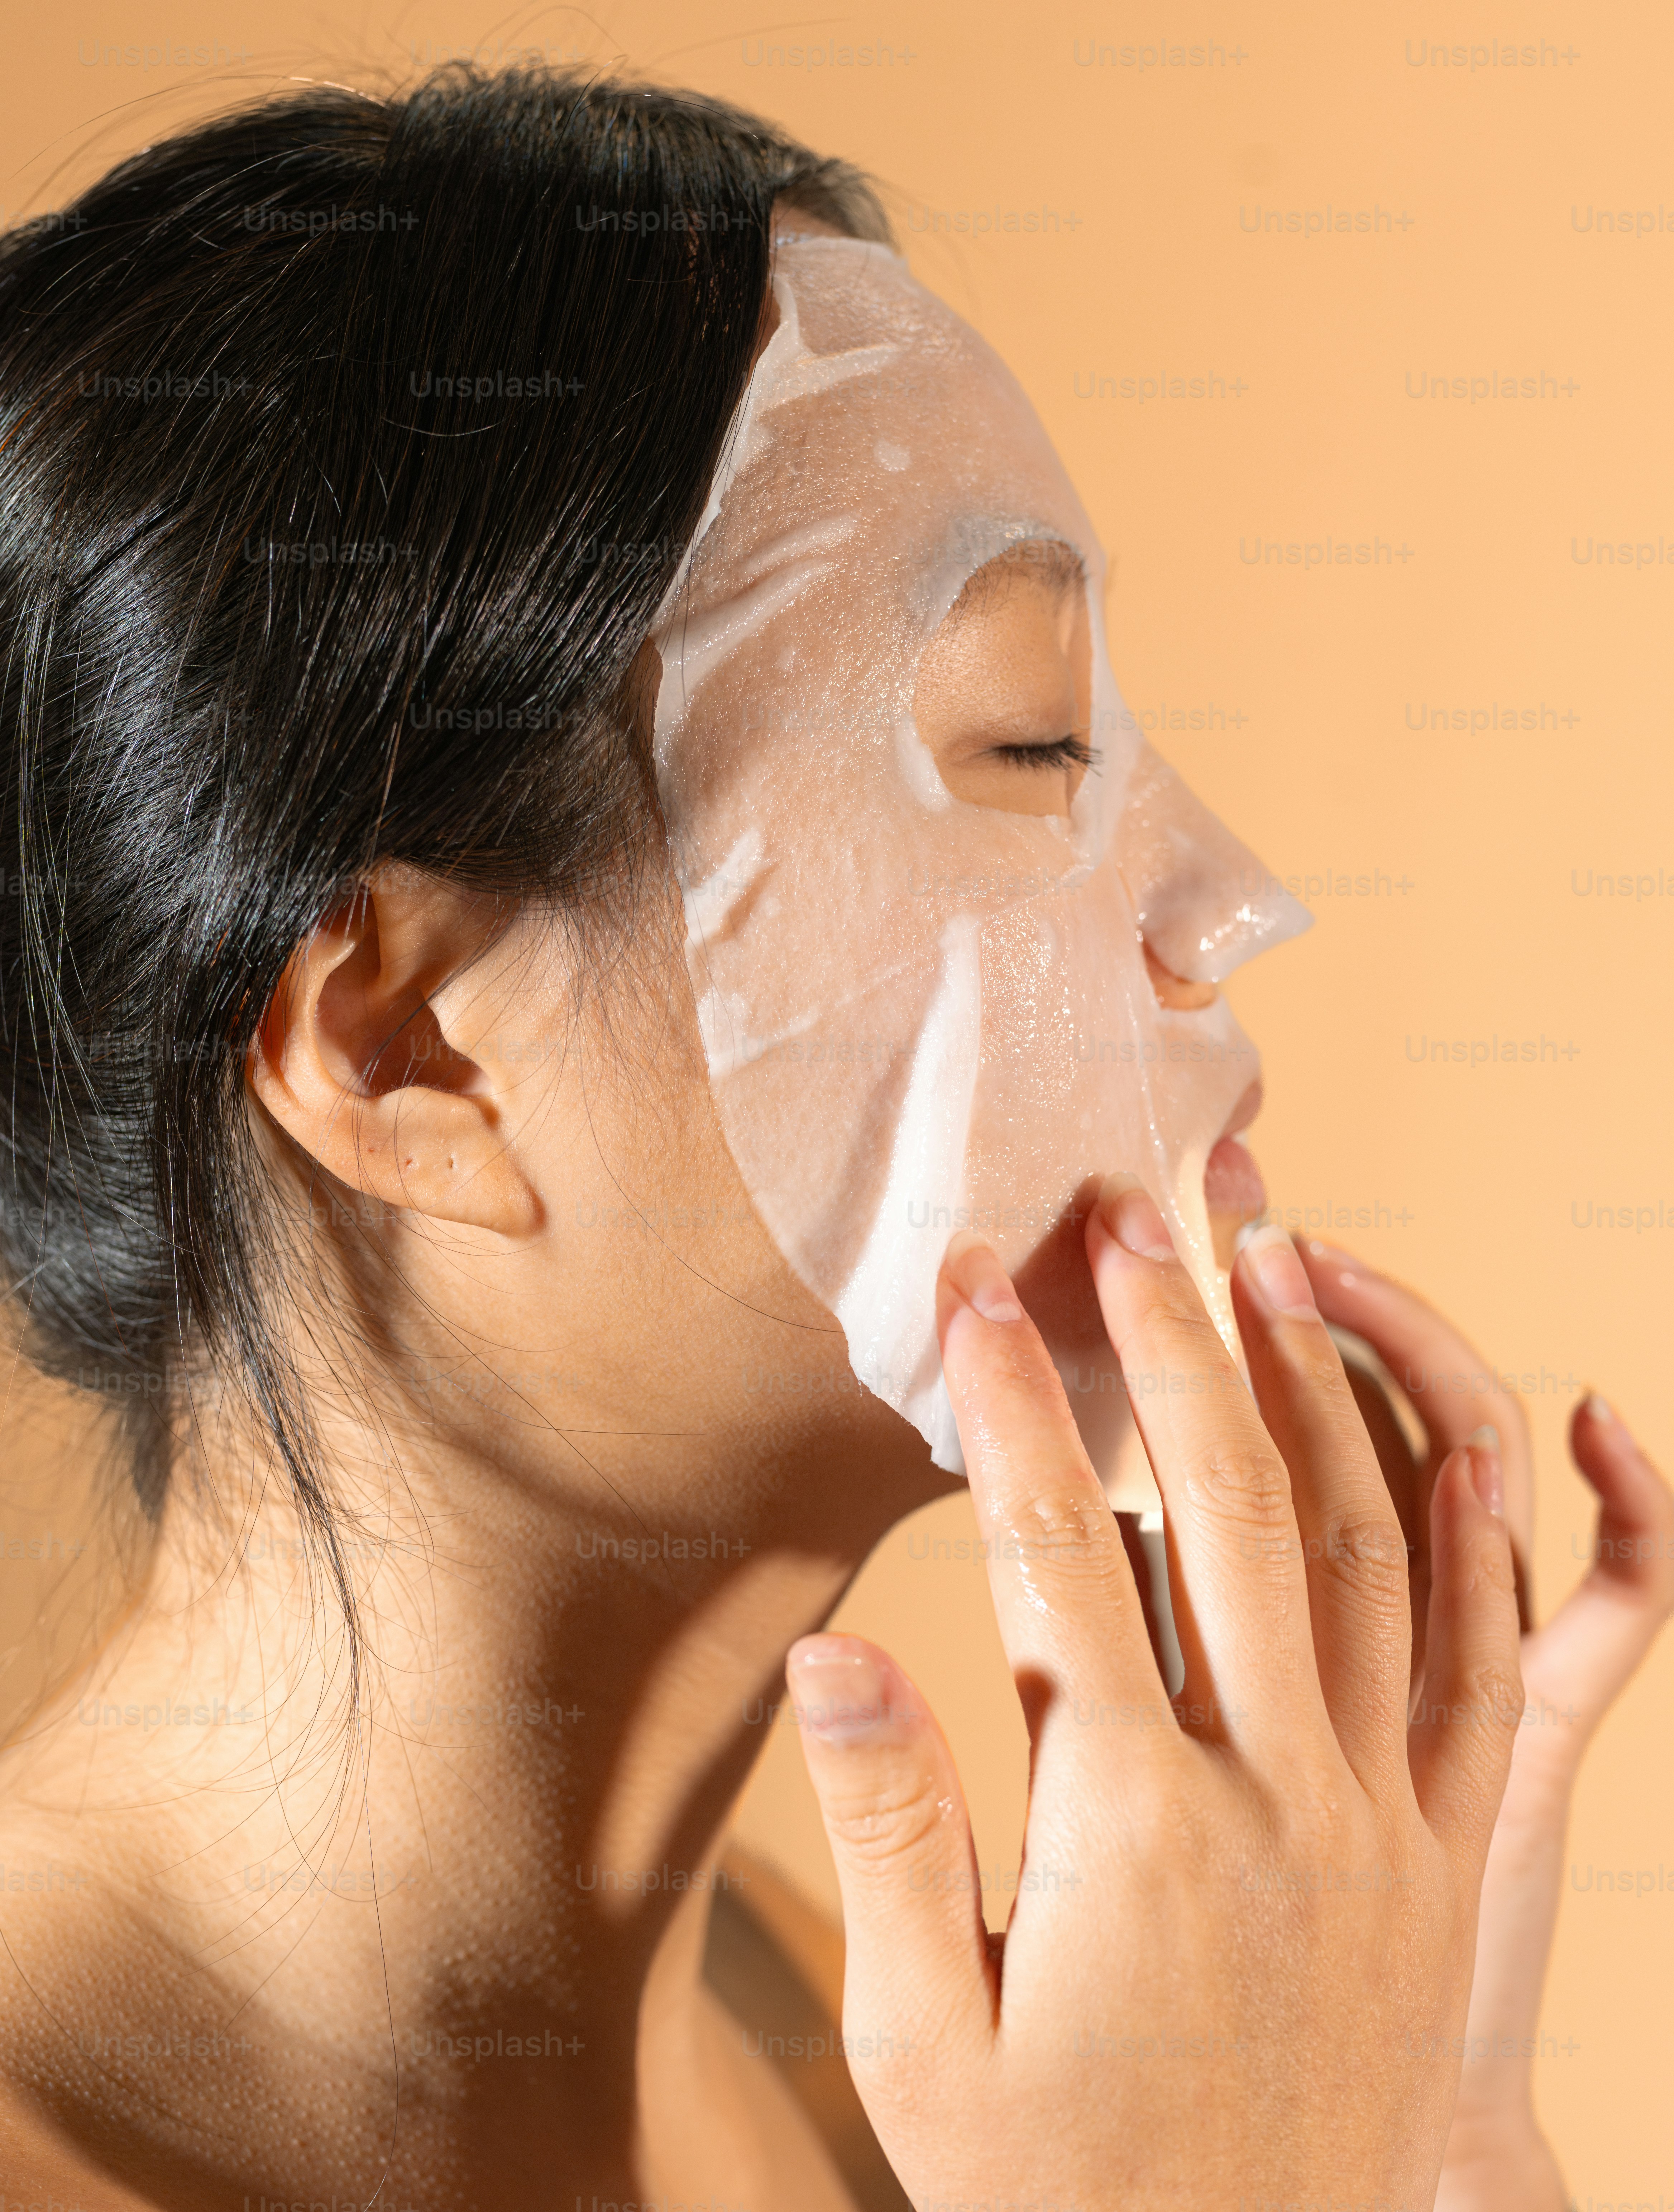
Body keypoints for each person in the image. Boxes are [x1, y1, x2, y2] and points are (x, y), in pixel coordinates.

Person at [0, 64, 1666, 2210]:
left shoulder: (902, 2072)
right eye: (1027, 736)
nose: (1228, 896)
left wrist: (1425, 2133)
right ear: (407, 1048)